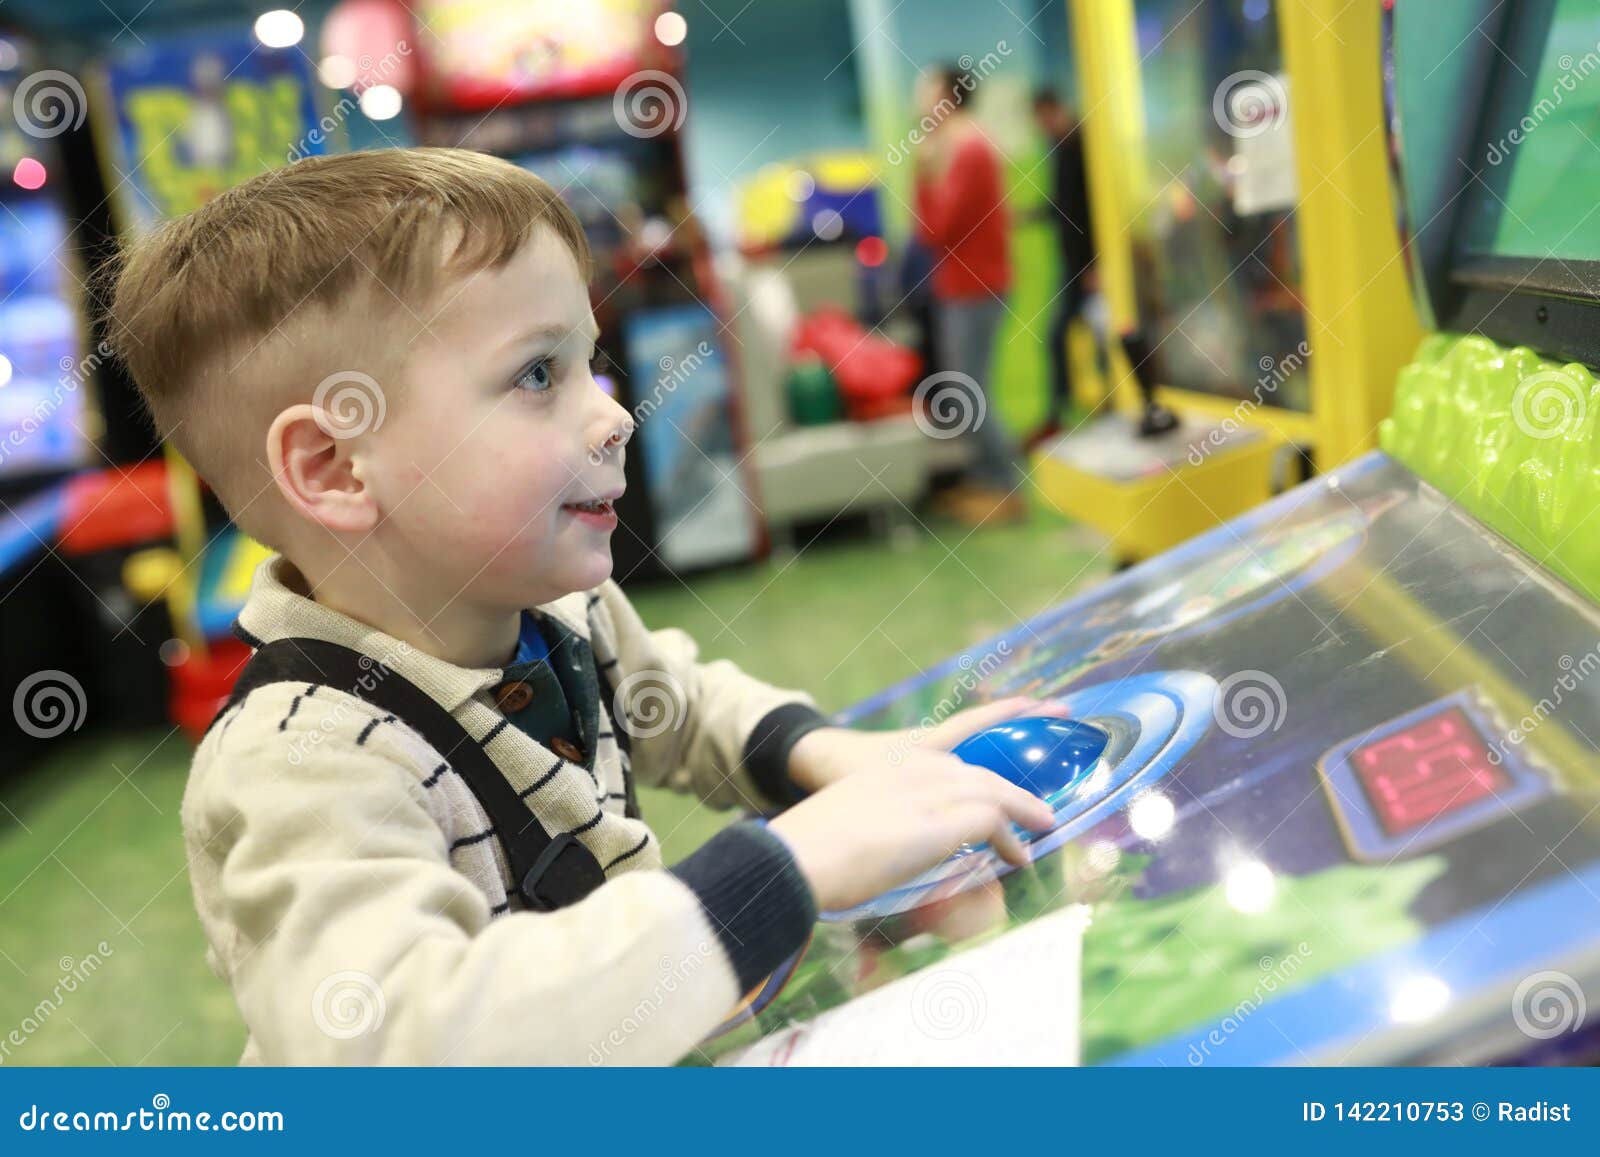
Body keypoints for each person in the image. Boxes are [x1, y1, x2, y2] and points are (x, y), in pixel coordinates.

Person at [104, 148, 1058, 1065]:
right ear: (336, 466)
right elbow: (404, 1045)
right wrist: (783, 870)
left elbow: (675, 703)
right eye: (537, 375)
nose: (614, 413)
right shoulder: (303, 762)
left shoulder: (563, 605)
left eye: (589, 364)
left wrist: (836, 762)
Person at [912, 63, 1025, 525]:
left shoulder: (969, 149)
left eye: (925, 86)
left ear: (946, 94)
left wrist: (922, 173)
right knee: (968, 393)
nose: (917, 97)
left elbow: (935, 228)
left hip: (975, 287)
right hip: (963, 285)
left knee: (969, 394)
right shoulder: (960, 146)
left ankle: (1007, 486)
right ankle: (988, 481)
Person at [1028, 88, 1097, 450]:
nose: (1041, 126)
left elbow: (1093, 210)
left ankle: (1075, 411)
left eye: (1043, 117)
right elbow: (1065, 206)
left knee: (1086, 337)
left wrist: (1096, 265)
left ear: (1055, 109)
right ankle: (1061, 411)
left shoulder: (1081, 146)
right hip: (1073, 265)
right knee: (1063, 338)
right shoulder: (1059, 149)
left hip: (1089, 267)